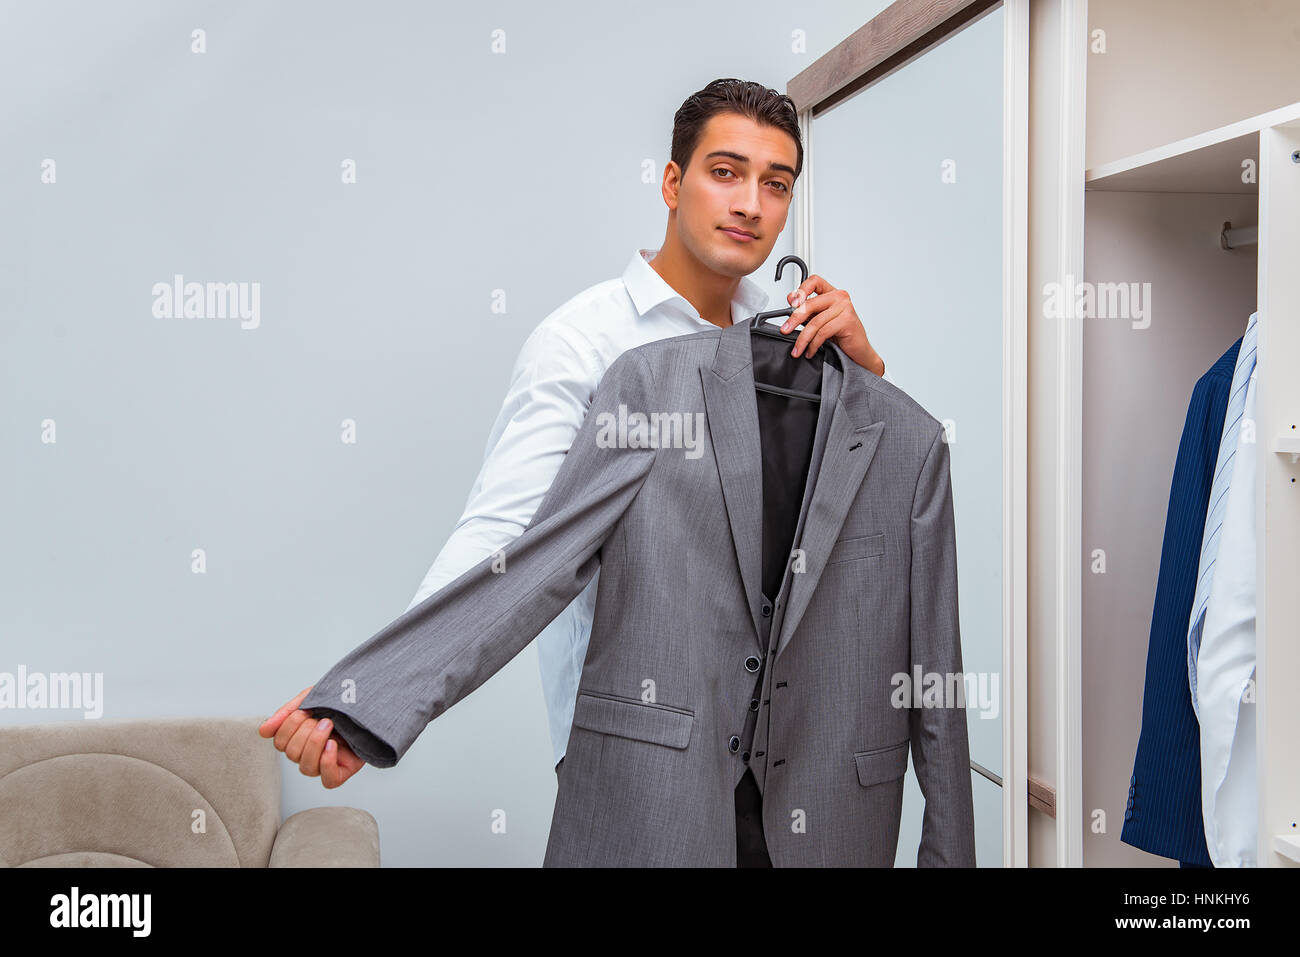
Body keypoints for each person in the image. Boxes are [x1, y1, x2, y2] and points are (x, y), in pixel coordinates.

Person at [260, 77, 890, 790]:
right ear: (672, 184)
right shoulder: (583, 343)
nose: (750, 203)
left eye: (775, 184)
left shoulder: (791, 338)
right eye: (726, 173)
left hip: (791, 755)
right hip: (645, 753)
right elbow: (502, 534)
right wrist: (375, 692)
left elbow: (847, 519)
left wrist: (865, 374)